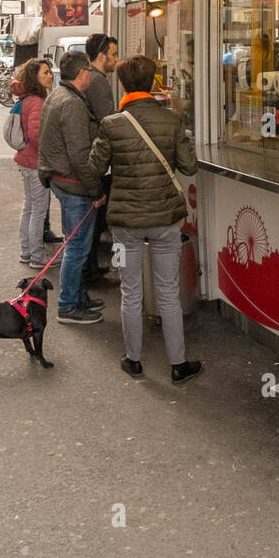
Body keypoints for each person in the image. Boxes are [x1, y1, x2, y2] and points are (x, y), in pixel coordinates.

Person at [89, 53, 201, 384]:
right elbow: (189, 167)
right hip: (166, 221)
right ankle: (178, 364)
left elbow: (95, 166)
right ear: (153, 82)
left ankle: (133, 360)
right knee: (168, 291)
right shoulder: (171, 121)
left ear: (122, 83)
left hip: (125, 225)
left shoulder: (111, 124)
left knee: (131, 290)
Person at [37, 52, 106, 325]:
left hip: (61, 179)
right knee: (76, 247)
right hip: (74, 184)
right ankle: (67, 305)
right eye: (89, 70)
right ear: (81, 75)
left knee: (75, 244)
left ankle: (77, 296)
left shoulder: (57, 95)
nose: (91, 74)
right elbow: (80, 154)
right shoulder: (73, 104)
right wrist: (96, 190)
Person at [81, 34, 119, 283]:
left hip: (92, 158)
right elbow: (107, 121)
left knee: (93, 224)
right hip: (97, 161)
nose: (117, 59)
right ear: (102, 55)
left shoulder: (93, 79)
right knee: (93, 223)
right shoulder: (98, 82)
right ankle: (89, 272)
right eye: (114, 54)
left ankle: (91, 268)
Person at [12, 57, 53, 270]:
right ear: (34, 77)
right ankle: (36, 257)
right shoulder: (37, 101)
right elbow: (37, 135)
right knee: (38, 210)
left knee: (28, 208)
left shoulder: (26, 97)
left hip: (25, 160)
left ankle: (26, 252)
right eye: (45, 72)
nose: (50, 75)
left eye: (49, 72)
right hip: (35, 163)